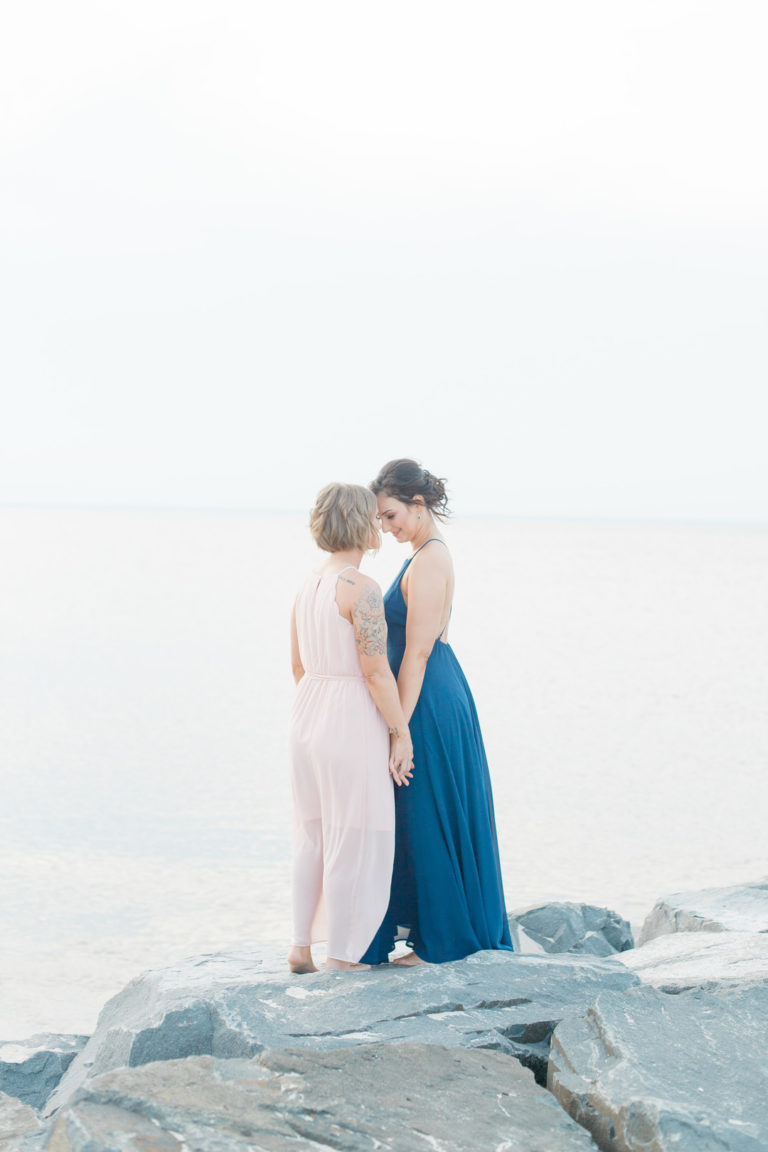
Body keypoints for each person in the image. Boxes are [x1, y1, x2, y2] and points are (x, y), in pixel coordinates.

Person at [361, 459, 512, 965]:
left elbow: (419, 652)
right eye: (381, 519)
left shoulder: (430, 559)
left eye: (390, 515)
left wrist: (400, 731)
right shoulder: (425, 555)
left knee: (427, 811)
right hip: (427, 693)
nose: (385, 527)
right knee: (420, 812)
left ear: (418, 504)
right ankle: (433, 934)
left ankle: (443, 943)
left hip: (427, 697)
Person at [288, 482, 413, 974]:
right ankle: (342, 954)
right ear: (364, 526)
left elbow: (297, 665)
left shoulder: (306, 585)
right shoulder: (359, 588)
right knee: (353, 836)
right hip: (348, 715)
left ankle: (300, 947)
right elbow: (376, 671)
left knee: (313, 833)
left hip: (306, 712)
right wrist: (400, 731)